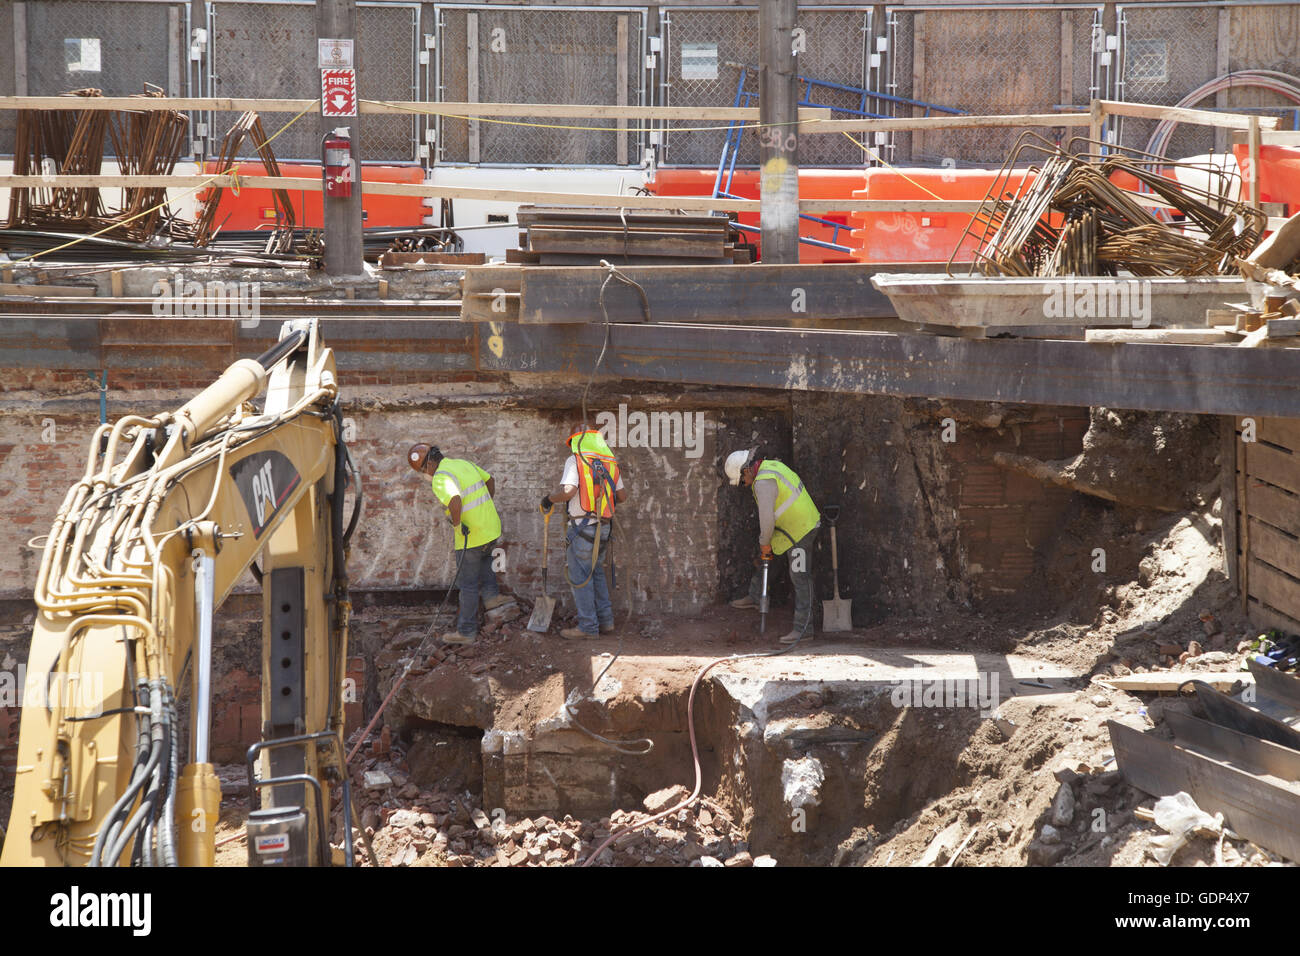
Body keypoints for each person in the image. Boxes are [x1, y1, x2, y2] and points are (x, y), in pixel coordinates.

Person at [408, 443, 510, 644]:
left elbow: (454, 499)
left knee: (468, 585)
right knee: (486, 562)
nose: (424, 475)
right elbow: (491, 480)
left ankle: (466, 631)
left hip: (470, 536)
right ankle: (491, 599)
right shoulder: (463, 464)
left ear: (429, 464)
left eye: (422, 471)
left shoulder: (440, 478)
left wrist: (457, 525)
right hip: (491, 528)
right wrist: (484, 508)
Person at [723, 448, 820, 644]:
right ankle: (756, 593)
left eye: (741, 481)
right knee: (770, 554)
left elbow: (766, 522)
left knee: (800, 576)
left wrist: (764, 543)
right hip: (790, 527)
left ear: (746, 470)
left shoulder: (763, 483)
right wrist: (766, 545)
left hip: (802, 529)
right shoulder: (768, 467)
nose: (743, 485)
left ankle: (804, 629)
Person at [541, 427, 627, 640]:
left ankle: (588, 627)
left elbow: (568, 491)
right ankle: (605, 622)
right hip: (604, 528)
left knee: (581, 577)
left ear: (576, 442)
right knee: (596, 572)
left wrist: (549, 499)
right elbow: (622, 496)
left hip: (582, 529)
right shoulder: (610, 462)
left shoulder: (575, 461)